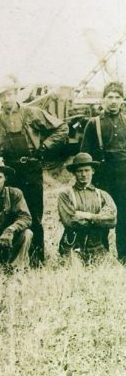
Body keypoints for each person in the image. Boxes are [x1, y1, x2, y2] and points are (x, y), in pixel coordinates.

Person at [0, 78, 67, 266]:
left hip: (30, 169)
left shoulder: (32, 113)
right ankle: (12, 258)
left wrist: (44, 147)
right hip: (9, 171)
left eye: (9, 95)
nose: (6, 100)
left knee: (34, 215)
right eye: (2, 97)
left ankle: (37, 261)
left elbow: (62, 128)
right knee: (10, 214)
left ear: (16, 94)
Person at [79, 81, 126, 261]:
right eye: (110, 97)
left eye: (117, 97)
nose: (113, 101)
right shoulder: (94, 124)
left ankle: (124, 256)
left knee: (124, 216)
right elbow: (84, 155)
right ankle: (102, 254)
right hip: (103, 178)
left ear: (122, 100)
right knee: (102, 217)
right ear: (103, 100)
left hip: (124, 176)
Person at [57, 152, 117, 262]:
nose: (84, 174)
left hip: (98, 248)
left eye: (87, 170)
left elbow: (112, 221)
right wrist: (99, 218)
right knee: (74, 275)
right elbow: (70, 222)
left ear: (93, 171)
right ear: (74, 173)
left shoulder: (102, 195)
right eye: (79, 171)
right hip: (72, 248)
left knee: (116, 273)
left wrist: (88, 216)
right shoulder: (65, 195)